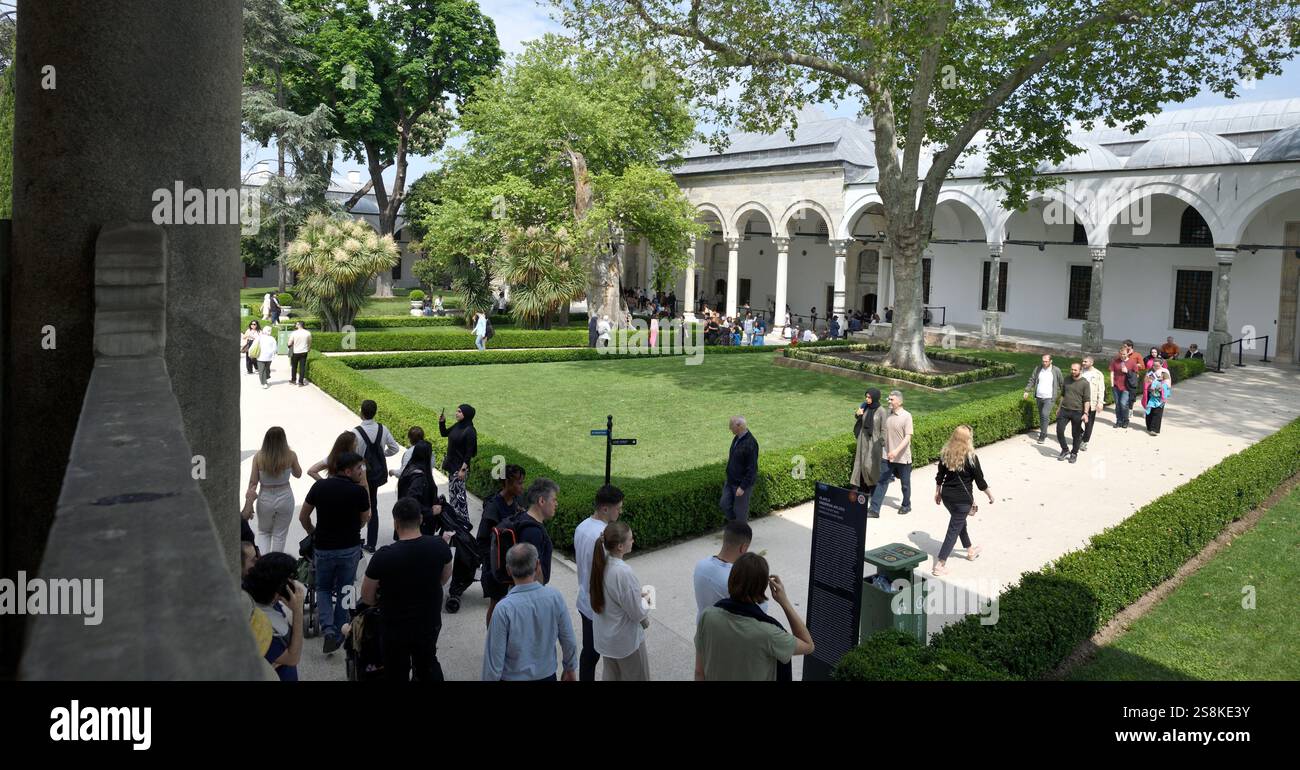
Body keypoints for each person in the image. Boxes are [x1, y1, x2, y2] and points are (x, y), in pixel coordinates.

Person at [361, 497, 453, 681]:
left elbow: (367, 597)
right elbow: (444, 578)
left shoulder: (383, 556)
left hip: (394, 626)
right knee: (427, 662)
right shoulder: (439, 546)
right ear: (420, 519)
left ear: (396, 523)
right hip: (429, 622)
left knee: (395, 669)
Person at [695, 552, 813, 681]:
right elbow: (808, 645)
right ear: (762, 588)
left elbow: (699, 672)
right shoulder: (769, 634)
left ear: (731, 578)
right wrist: (784, 602)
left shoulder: (708, 616)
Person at [298, 451, 371, 654]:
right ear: (347, 471)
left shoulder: (319, 486)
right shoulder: (359, 492)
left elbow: (303, 516)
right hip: (349, 548)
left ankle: (328, 629)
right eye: (359, 468)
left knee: (322, 588)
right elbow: (365, 518)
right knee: (346, 588)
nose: (361, 472)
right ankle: (341, 630)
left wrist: (312, 531)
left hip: (324, 549)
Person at [481, 543, 578, 681]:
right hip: (547, 675)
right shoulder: (555, 597)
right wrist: (570, 668)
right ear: (538, 565)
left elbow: (494, 658)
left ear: (508, 570)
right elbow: (569, 640)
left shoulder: (503, 609)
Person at [590, 521, 652, 680]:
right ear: (620, 546)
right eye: (630, 538)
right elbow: (638, 613)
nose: (633, 541)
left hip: (606, 640)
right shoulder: (622, 572)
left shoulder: (601, 564)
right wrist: (649, 597)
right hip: (625, 643)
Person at [574, 484, 624, 681]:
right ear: (605, 508)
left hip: (585, 600)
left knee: (590, 652)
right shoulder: (606, 537)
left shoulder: (581, 527)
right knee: (611, 655)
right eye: (618, 507)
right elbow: (613, 578)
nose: (620, 511)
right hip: (601, 605)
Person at [932, 426, 994, 576]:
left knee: (959, 523)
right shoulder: (971, 457)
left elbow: (940, 475)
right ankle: (940, 564)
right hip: (962, 500)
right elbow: (980, 481)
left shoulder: (946, 453)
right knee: (953, 530)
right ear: (967, 439)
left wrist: (937, 491)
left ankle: (970, 550)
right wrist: (990, 495)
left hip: (947, 497)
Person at [242, 552, 305, 682]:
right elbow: (293, 658)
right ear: (279, 588)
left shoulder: (264, 600)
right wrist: (298, 611)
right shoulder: (260, 623)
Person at [479, 464, 527, 623]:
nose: (522, 486)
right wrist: (494, 567)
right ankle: (493, 640)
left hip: (515, 563)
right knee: (497, 603)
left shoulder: (518, 501)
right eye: (519, 483)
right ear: (507, 482)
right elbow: (482, 540)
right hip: (497, 567)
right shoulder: (493, 507)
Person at [693, 521, 768, 623]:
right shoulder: (737, 580)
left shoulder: (700, 565)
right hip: (725, 636)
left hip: (702, 629)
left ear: (724, 539)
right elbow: (759, 611)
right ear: (743, 548)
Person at [243, 426, 303, 554]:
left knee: (264, 532)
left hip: (265, 497)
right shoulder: (290, 455)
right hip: (285, 496)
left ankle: (264, 563)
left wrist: (250, 502)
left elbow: (253, 482)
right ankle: (275, 566)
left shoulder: (259, 457)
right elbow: (298, 474)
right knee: (280, 534)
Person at [355, 399, 402, 553]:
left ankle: (354, 538)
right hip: (376, 474)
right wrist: (382, 455)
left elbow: (351, 455)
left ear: (361, 412)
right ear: (375, 412)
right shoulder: (383, 429)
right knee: (372, 506)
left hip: (360, 472)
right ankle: (372, 543)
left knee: (356, 506)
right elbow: (394, 448)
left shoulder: (355, 432)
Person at [869, 391, 914, 515]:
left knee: (905, 484)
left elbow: (907, 438)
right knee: (882, 481)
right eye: (888, 399)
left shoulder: (907, 416)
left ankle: (906, 505)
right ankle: (874, 509)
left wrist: (896, 451)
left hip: (902, 457)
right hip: (887, 455)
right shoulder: (887, 414)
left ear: (899, 402)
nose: (889, 401)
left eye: (891, 400)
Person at [437, 403, 478, 527]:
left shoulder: (470, 431)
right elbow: (444, 433)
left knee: (459, 496)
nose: (456, 413)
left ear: (466, 415)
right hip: (452, 466)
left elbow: (469, 453)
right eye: (457, 411)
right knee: (453, 494)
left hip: (460, 468)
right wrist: (442, 422)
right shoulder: (458, 425)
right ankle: (455, 519)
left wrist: (463, 470)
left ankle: (464, 522)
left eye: (459, 411)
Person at [395, 440, 440, 534]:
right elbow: (411, 500)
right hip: (420, 527)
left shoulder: (410, 468)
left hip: (410, 524)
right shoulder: (419, 477)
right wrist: (430, 511)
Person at [721, 416, 759, 523]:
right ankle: (735, 527)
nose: (730, 429)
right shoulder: (737, 438)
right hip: (730, 481)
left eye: (731, 426)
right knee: (724, 504)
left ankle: (741, 537)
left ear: (739, 426)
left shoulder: (751, 443)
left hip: (741, 485)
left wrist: (742, 487)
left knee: (740, 514)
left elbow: (752, 469)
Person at [850, 388, 885, 501]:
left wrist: (881, 443)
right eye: (866, 396)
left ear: (875, 397)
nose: (867, 399)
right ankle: (859, 488)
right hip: (862, 438)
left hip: (874, 441)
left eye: (869, 397)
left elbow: (884, 429)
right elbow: (859, 418)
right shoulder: (864, 406)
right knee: (859, 463)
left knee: (869, 465)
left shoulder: (881, 411)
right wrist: (857, 414)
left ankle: (872, 486)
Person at [1056, 362, 1092, 463]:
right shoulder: (1067, 379)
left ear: (1080, 371)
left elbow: (1087, 400)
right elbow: (1063, 395)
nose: (1072, 371)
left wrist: (1085, 413)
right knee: (1059, 431)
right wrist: (1059, 408)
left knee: (1075, 434)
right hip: (1064, 410)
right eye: (1071, 369)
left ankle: (1074, 453)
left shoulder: (1085, 383)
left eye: (1075, 370)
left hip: (1077, 412)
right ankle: (1065, 449)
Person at [1022, 354, 1062, 443]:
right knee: (1042, 416)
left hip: (1049, 397)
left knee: (1044, 415)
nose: (1044, 363)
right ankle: (1045, 431)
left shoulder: (1056, 370)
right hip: (1039, 396)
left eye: (1046, 361)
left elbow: (1061, 383)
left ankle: (1042, 435)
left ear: (1051, 361)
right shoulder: (1038, 369)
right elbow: (1032, 380)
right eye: (1043, 361)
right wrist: (1027, 390)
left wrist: (1063, 396)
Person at [1108, 342, 1143, 430]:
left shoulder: (1132, 362)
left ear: (1128, 353)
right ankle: (1118, 420)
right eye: (1120, 354)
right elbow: (1112, 372)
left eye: (1124, 354)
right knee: (1117, 404)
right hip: (1116, 385)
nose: (1122, 355)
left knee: (1123, 404)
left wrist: (1127, 371)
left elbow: (1136, 374)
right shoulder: (1115, 361)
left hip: (1126, 386)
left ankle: (1125, 420)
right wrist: (1112, 384)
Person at [1079, 355, 1106, 452]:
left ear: (1091, 363)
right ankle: (1081, 433)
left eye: (1085, 361)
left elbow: (1101, 389)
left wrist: (1100, 402)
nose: (1083, 363)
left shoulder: (1098, 374)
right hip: (1079, 401)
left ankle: (1085, 441)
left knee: (1088, 424)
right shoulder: (1080, 372)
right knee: (1076, 421)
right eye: (1083, 361)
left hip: (1091, 402)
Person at [1144, 368, 1171, 435]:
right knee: (1150, 411)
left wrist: (1162, 391)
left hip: (1160, 400)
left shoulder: (1165, 375)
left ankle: (1154, 429)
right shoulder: (1151, 372)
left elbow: (1168, 391)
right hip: (1152, 398)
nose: (1160, 377)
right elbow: (1147, 383)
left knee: (1157, 413)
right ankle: (1149, 427)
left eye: (1161, 376)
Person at [287, 321, 311, 386]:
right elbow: (309, 342)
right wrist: (308, 349)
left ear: (299, 325)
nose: (296, 325)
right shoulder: (308, 333)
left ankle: (293, 380)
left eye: (297, 324)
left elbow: (289, 343)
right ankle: (301, 382)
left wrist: (288, 345)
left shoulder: (294, 333)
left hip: (295, 352)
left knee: (294, 367)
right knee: (302, 367)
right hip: (304, 351)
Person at [255, 324, 277, 389]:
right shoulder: (272, 338)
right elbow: (275, 348)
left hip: (260, 356)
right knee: (267, 369)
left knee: (262, 370)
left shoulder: (259, 337)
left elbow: (254, 346)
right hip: (269, 357)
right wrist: (273, 354)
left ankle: (264, 382)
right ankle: (265, 380)